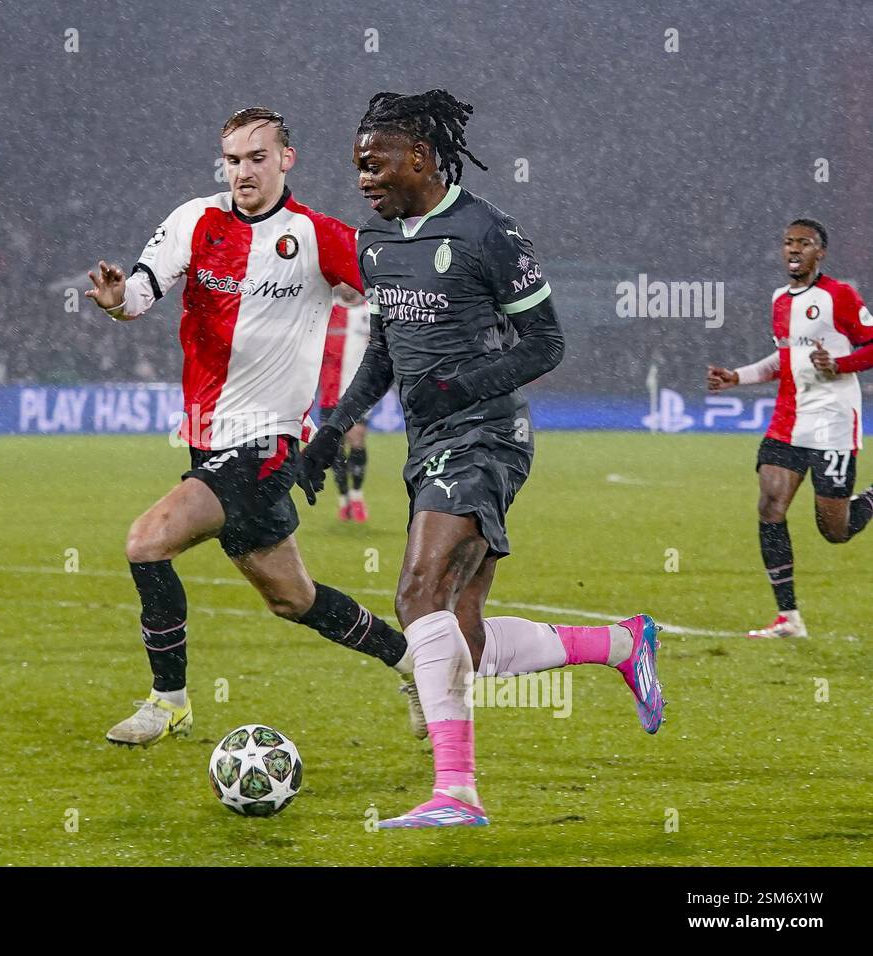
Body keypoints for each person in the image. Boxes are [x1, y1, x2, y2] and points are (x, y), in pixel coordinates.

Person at [302, 89, 665, 828]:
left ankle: (456, 791)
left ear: (423, 158)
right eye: (357, 167)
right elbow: (384, 348)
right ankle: (624, 642)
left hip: (488, 439)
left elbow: (546, 344)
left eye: (375, 164)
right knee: (462, 639)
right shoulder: (376, 241)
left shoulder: (488, 232)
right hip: (430, 444)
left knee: (415, 593)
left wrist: (460, 384)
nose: (364, 178)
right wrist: (333, 428)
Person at [85, 108, 424, 748]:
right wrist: (115, 300)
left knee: (147, 542)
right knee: (292, 599)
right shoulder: (196, 220)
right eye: (234, 160)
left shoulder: (319, 238)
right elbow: (139, 293)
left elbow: (399, 286)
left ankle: (168, 701)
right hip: (208, 441)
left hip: (267, 445)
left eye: (256, 158)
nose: (243, 171)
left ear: (286, 159)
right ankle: (413, 663)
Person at [708, 218, 873, 638]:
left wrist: (840, 363)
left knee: (834, 530)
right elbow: (784, 359)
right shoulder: (780, 299)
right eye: (788, 242)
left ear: (821, 252)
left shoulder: (840, 296)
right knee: (770, 506)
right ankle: (789, 619)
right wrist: (738, 377)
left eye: (805, 243)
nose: (794, 249)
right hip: (787, 421)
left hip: (833, 422)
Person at [318, 286, 374, 521]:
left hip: (357, 393)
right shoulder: (326, 311)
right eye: (342, 282)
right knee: (336, 449)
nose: (346, 286)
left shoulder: (369, 312)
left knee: (357, 439)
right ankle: (344, 500)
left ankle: (357, 496)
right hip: (329, 393)